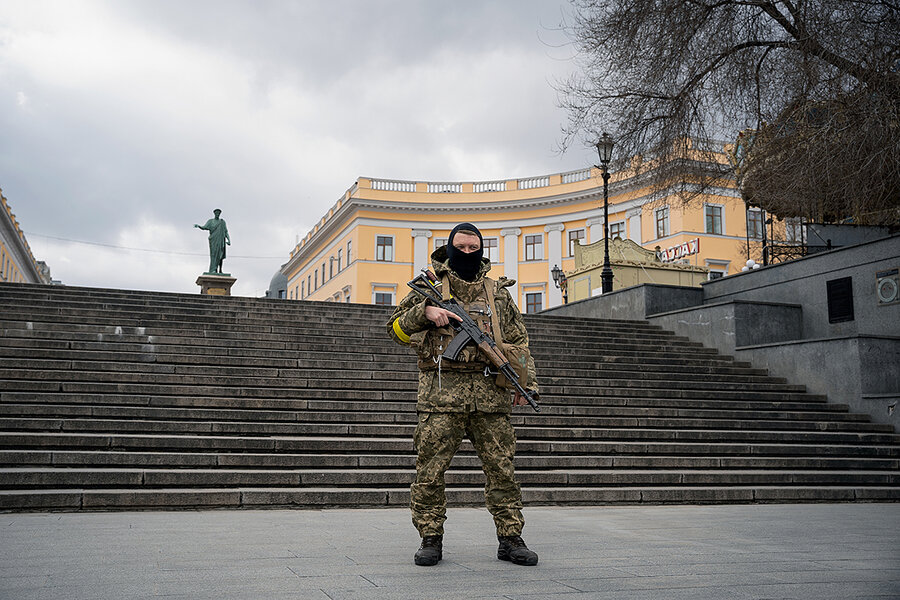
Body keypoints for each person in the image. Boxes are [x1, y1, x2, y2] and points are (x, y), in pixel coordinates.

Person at [386, 222, 540, 567]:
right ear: (450, 248)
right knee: (430, 472)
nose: (467, 254)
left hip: (490, 396)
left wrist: (526, 382)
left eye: (474, 249)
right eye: (462, 248)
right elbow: (394, 329)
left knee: (503, 471)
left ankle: (511, 538)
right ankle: (430, 537)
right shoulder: (428, 286)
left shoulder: (497, 292)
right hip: (441, 398)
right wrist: (424, 313)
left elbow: (519, 340)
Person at [194, 209, 230, 274]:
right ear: (214, 214)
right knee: (214, 255)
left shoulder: (222, 222)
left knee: (220, 255)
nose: (217, 214)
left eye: (219, 213)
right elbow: (204, 227)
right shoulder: (211, 221)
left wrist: (229, 240)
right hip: (213, 240)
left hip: (220, 240)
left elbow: (226, 231)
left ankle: (220, 270)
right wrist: (199, 226)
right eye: (216, 213)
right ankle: (214, 269)